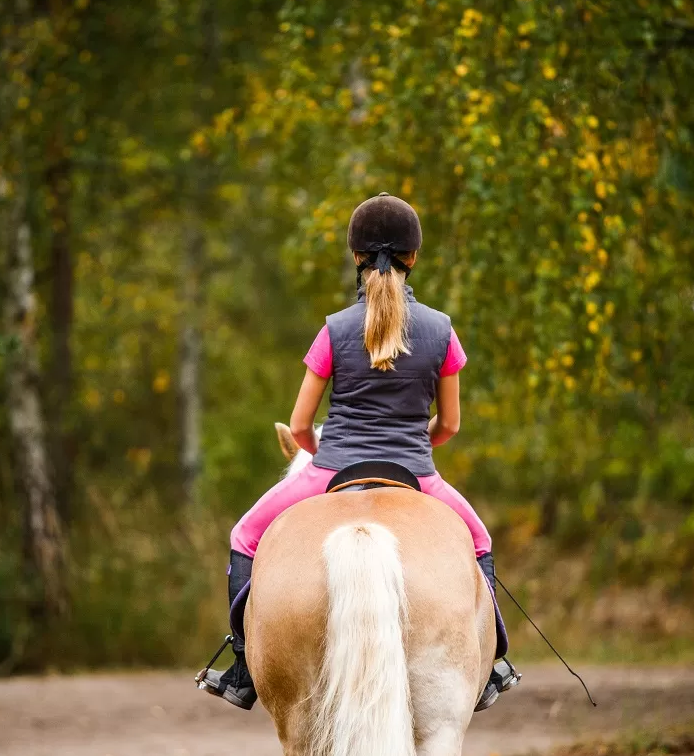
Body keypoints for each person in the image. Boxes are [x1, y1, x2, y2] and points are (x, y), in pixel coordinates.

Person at [216, 193, 519, 711]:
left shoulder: (333, 329)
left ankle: (244, 665)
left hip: (331, 466)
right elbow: (449, 424)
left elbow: (298, 424)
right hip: (417, 474)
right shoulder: (442, 331)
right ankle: (492, 666)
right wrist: (418, 441)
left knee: (244, 535)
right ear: (414, 257)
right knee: (478, 539)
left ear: (356, 257)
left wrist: (319, 454)